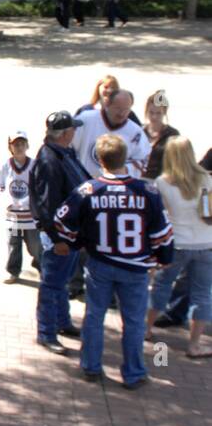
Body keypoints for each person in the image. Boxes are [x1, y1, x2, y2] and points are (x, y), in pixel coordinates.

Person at [54, 134, 174, 387]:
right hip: (136, 267)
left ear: (100, 160)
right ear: (125, 159)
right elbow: (162, 233)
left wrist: (74, 242)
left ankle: (90, 366)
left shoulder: (88, 190)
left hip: (100, 264)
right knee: (132, 322)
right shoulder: (147, 191)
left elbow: (62, 220)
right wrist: (163, 257)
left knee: (94, 315)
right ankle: (133, 373)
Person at [146, 138, 212, 357]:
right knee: (202, 295)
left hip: (176, 244)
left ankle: (145, 329)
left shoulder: (163, 182)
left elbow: (159, 217)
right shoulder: (205, 178)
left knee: (161, 286)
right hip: (205, 243)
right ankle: (194, 345)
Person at [28, 111, 89, 354]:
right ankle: (46, 333)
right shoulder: (49, 161)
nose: (75, 131)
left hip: (71, 234)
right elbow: (46, 206)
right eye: (72, 129)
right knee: (52, 284)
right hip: (60, 237)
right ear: (64, 134)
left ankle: (63, 323)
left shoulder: (64, 153)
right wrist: (56, 238)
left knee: (61, 282)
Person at [0, 129, 40, 283]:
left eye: (22, 144)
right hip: (13, 216)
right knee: (13, 243)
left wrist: (32, 202)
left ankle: (40, 264)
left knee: (35, 245)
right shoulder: (6, 166)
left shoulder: (34, 165)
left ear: (27, 146)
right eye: (16, 144)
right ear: (10, 147)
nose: (19, 147)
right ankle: (13, 271)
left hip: (30, 216)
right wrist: (4, 199)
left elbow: (41, 187)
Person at [73, 90, 151, 178]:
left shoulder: (136, 133)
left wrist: (124, 170)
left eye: (126, 109)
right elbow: (67, 147)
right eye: (118, 108)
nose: (122, 113)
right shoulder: (86, 119)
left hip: (116, 188)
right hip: (82, 182)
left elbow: (143, 160)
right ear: (107, 104)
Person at [75, 74, 141, 126]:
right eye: (106, 87)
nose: (109, 90)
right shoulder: (86, 110)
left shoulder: (127, 113)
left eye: (113, 87)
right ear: (98, 88)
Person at [141, 90, 179, 179]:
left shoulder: (172, 134)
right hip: (141, 179)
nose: (154, 117)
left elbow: (177, 162)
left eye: (158, 113)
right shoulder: (140, 132)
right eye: (151, 112)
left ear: (165, 112)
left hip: (163, 180)